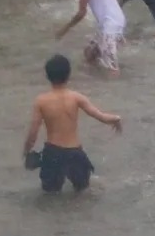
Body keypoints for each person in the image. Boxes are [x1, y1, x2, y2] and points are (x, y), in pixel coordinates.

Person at [23, 54, 123, 194]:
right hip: (74, 153)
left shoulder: (41, 101)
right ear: (68, 75)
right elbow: (100, 116)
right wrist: (116, 119)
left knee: (50, 194)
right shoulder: (76, 97)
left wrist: (26, 150)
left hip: (53, 153)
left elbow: (33, 133)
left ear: (47, 76)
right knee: (83, 191)